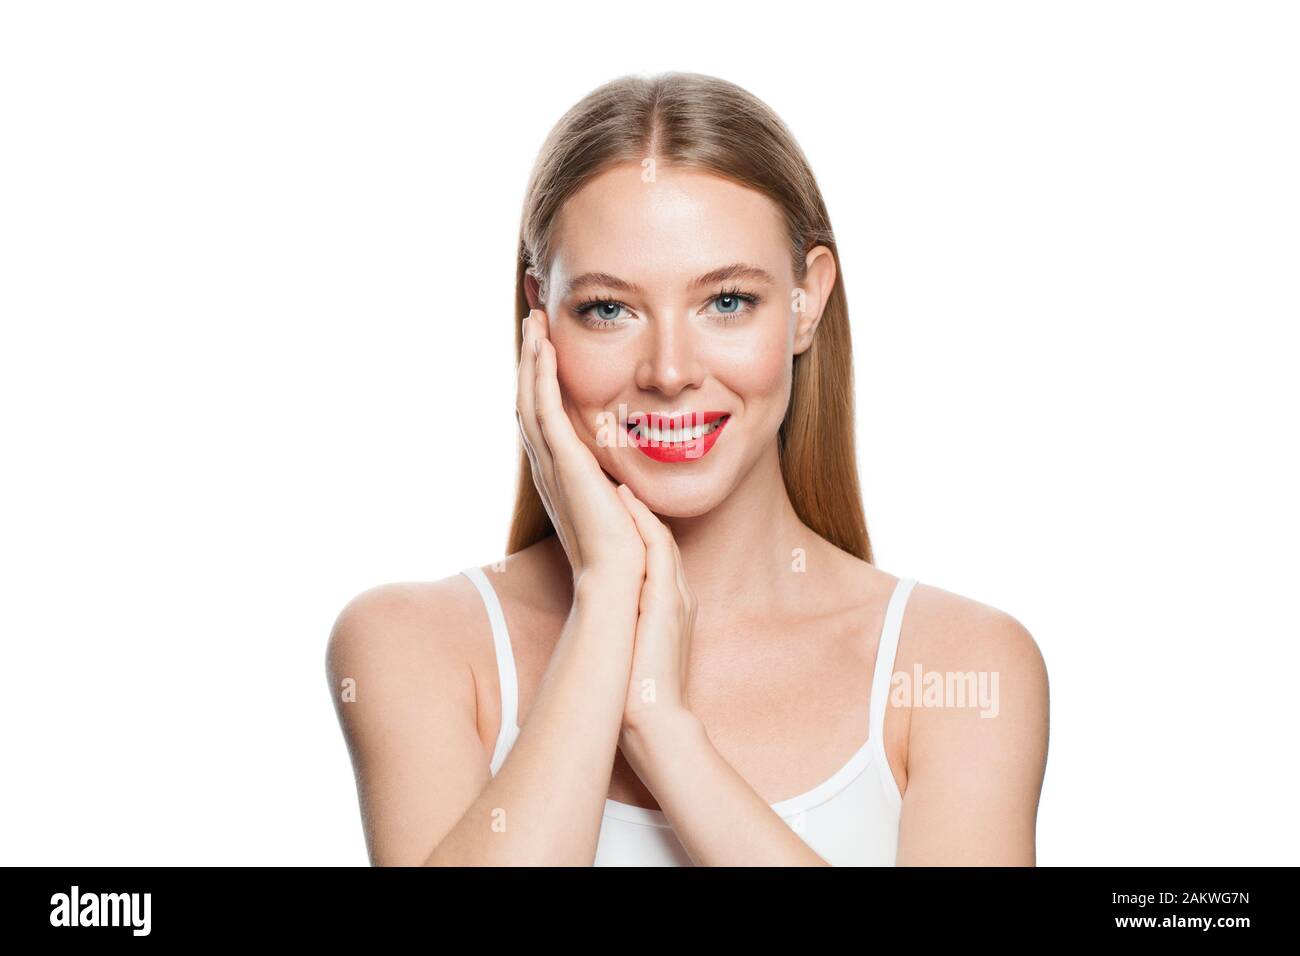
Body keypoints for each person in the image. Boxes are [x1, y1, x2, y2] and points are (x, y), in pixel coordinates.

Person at [327, 72, 1049, 866]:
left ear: (808, 301)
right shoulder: (416, 646)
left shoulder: (962, 666)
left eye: (728, 301)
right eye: (609, 309)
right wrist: (606, 598)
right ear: (540, 316)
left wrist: (663, 731)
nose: (670, 371)